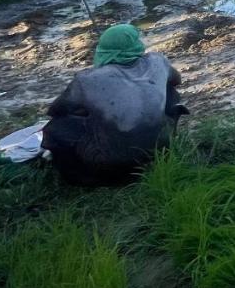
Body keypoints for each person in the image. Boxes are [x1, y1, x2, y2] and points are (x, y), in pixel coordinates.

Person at [42, 24, 187, 186]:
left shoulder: (86, 79)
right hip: (161, 148)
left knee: (57, 126)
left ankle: (77, 175)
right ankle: (157, 151)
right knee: (170, 92)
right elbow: (176, 80)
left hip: (111, 162)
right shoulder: (158, 61)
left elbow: (57, 109)